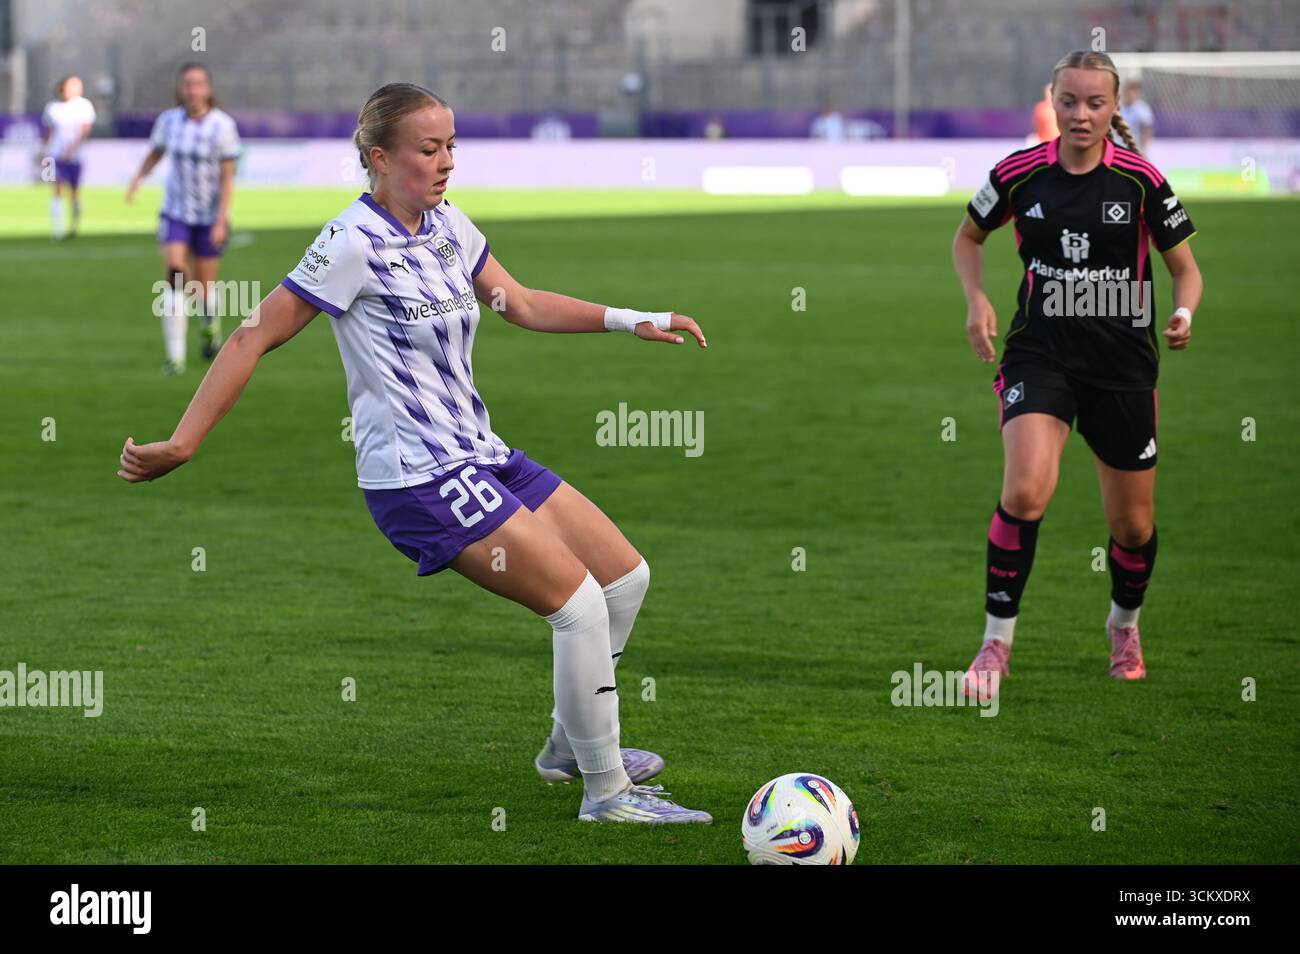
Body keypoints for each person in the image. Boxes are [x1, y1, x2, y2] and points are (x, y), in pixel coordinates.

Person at [117, 83, 713, 825]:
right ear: (378, 158)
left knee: (625, 578)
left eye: (452, 146)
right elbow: (251, 336)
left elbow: (519, 304)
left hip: (482, 453)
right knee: (578, 605)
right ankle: (607, 794)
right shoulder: (350, 243)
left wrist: (635, 319)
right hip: (419, 477)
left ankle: (571, 744)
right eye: (429, 149)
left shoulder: (446, 227)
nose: (446, 162)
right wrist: (182, 442)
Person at [951, 50, 1203, 697]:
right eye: (1070, 101)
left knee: (1132, 527)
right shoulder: (1018, 173)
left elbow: (1186, 269)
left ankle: (1124, 626)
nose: (1082, 114)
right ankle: (994, 647)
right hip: (1041, 354)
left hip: (1123, 365)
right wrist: (976, 299)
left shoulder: (1141, 180)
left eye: (1096, 103)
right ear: (1052, 101)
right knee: (1026, 492)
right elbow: (968, 237)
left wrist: (1182, 312)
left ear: (1115, 106)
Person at [127, 63, 241, 373]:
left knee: (203, 287)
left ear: (208, 88)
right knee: (176, 276)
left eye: (198, 83)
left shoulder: (222, 126)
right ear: (181, 88)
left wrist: (221, 220)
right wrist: (138, 177)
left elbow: (228, 178)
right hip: (175, 212)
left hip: (208, 216)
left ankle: (209, 325)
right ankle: (175, 356)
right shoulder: (169, 122)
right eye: (187, 84)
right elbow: (156, 152)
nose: (192, 89)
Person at [40, 75, 95, 240]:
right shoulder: (52, 108)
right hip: (56, 156)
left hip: (76, 157)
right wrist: (45, 152)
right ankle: (58, 230)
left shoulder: (84, 106)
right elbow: (49, 133)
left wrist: (72, 149)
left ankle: (74, 226)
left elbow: (85, 131)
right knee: (57, 188)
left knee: (75, 192)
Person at [1120, 80, 1155, 153]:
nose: (1129, 95)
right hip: (1120, 146)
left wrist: (1143, 147)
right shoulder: (1119, 107)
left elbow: (1147, 130)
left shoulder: (1142, 109)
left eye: (1132, 92)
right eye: (1127, 91)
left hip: (1136, 147)